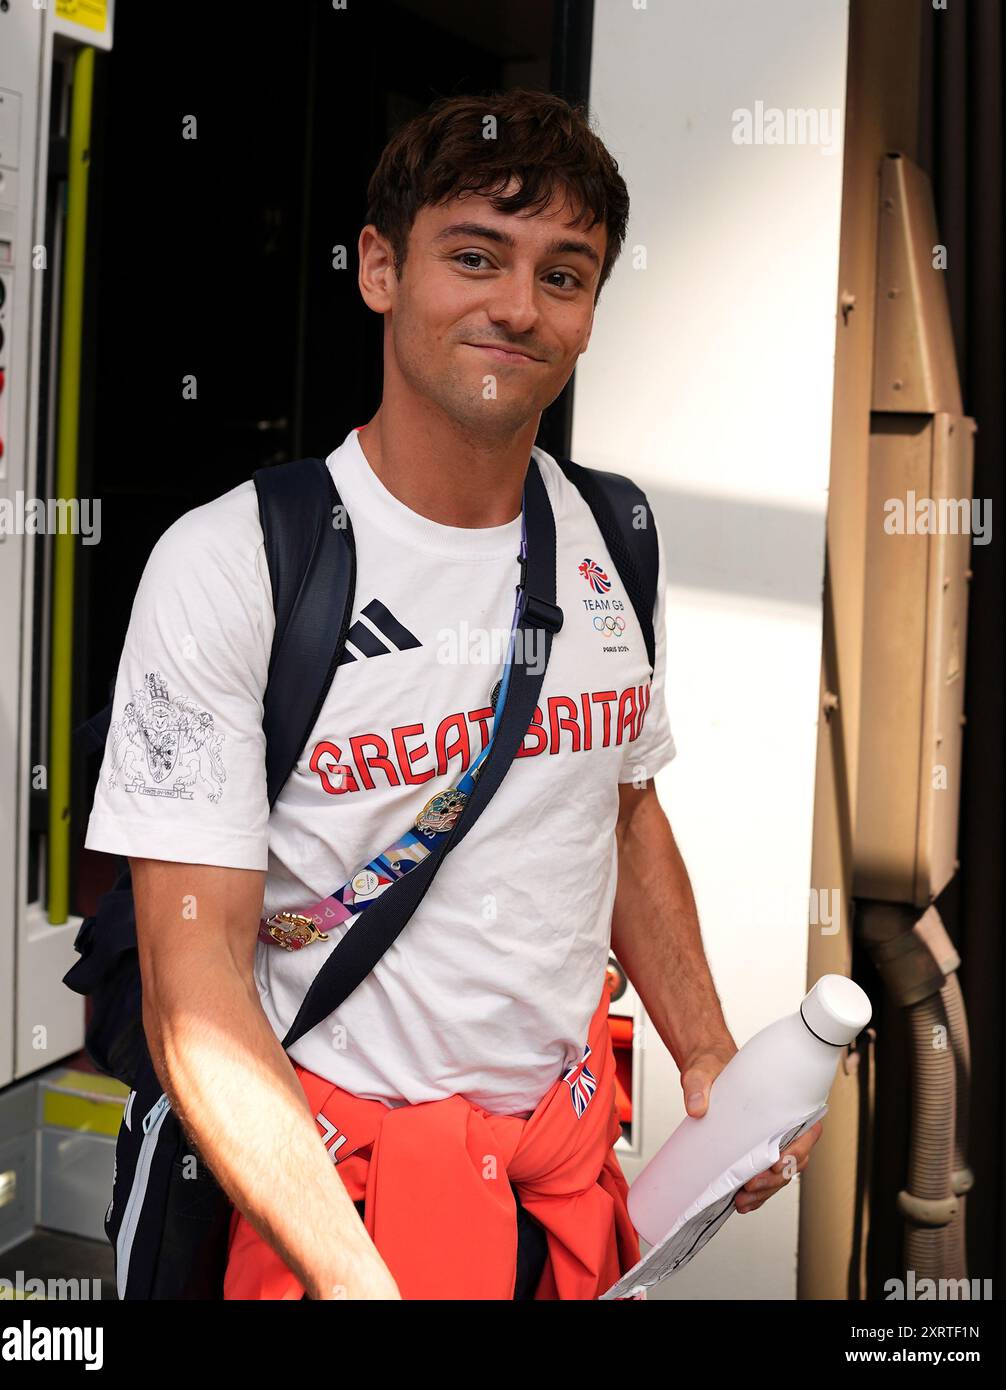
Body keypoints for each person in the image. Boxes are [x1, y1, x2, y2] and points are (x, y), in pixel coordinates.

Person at [84, 87, 821, 1301]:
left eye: (563, 273)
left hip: (554, 1180)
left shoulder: (615, 536)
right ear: (379, 267)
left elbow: (618, 809)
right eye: (474, 257)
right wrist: (352, 1277)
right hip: (324, 1191)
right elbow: (193, 986)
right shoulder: (236, 562)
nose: (517, 307)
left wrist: (707, 1059)